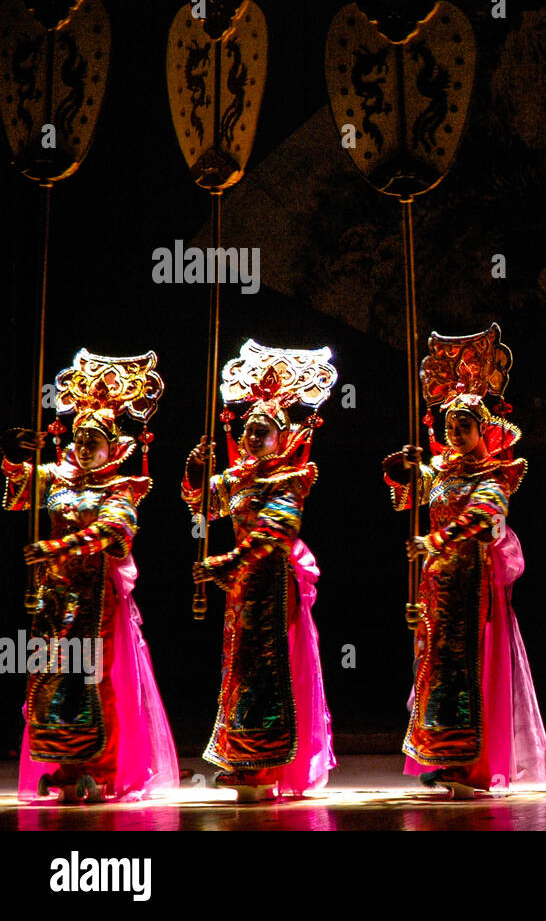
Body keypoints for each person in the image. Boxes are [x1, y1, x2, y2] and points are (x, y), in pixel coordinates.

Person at [2, 349, 177, 802]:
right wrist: (12, 458)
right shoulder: (59, 478)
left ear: (114, 446)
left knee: (94, 680)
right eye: (78, 440)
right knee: (50, 679)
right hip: (55, 598)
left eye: (93, 441)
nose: (82, 448)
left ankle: (100, 767)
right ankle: (63, 764)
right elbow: (18, 496)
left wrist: (56, 546)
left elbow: (111, 531)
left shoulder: (120, 487)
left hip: (96, 595)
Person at [383, 361, 546, 797]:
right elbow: (404, 497)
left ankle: (472, 763)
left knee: (470, 671)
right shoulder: (440, 472)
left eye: (464, 426)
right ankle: (444, 755)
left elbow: (482, 519)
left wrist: (436, 540)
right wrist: (401, 468)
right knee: (438, 670)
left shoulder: (496, 473)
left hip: (473, 584)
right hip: (437, 586)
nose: (455, 433)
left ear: (482, 430)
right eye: (449, 426)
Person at [184, 343, 336, 802]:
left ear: (282, 435)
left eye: (262, 430)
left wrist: (227, 562)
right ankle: (244, 757)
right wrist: (195, 472)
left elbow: (276, 529)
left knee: (267, 667)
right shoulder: (234, 478)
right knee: (240, 667)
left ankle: (265, 762)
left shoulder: (289, 477)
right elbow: (202, 508)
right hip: (241, 588)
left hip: (271, 581)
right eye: (248, 428)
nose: (251, 436)